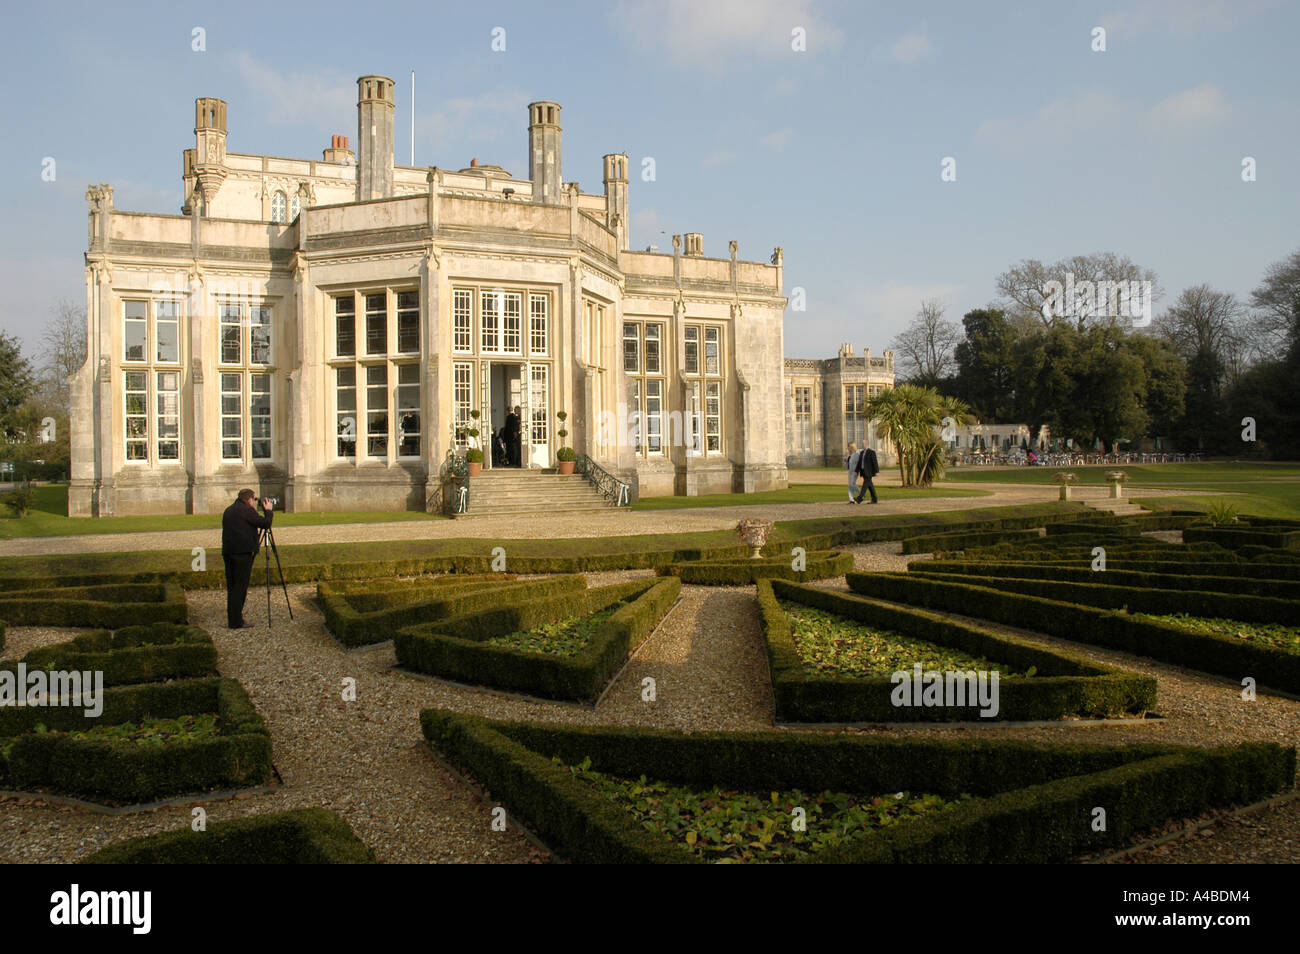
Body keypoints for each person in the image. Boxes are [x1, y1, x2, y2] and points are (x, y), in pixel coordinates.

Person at [222, 489, 274, 629]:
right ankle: (236, 621)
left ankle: (233, 618)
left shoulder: (229, 510)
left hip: (228, 553)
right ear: (250, 499)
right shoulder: (246, 510)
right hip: (242, 553)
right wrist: (268, 511)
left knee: (232, 586)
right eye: (254, 500)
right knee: (240, 587)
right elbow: (265, 523)